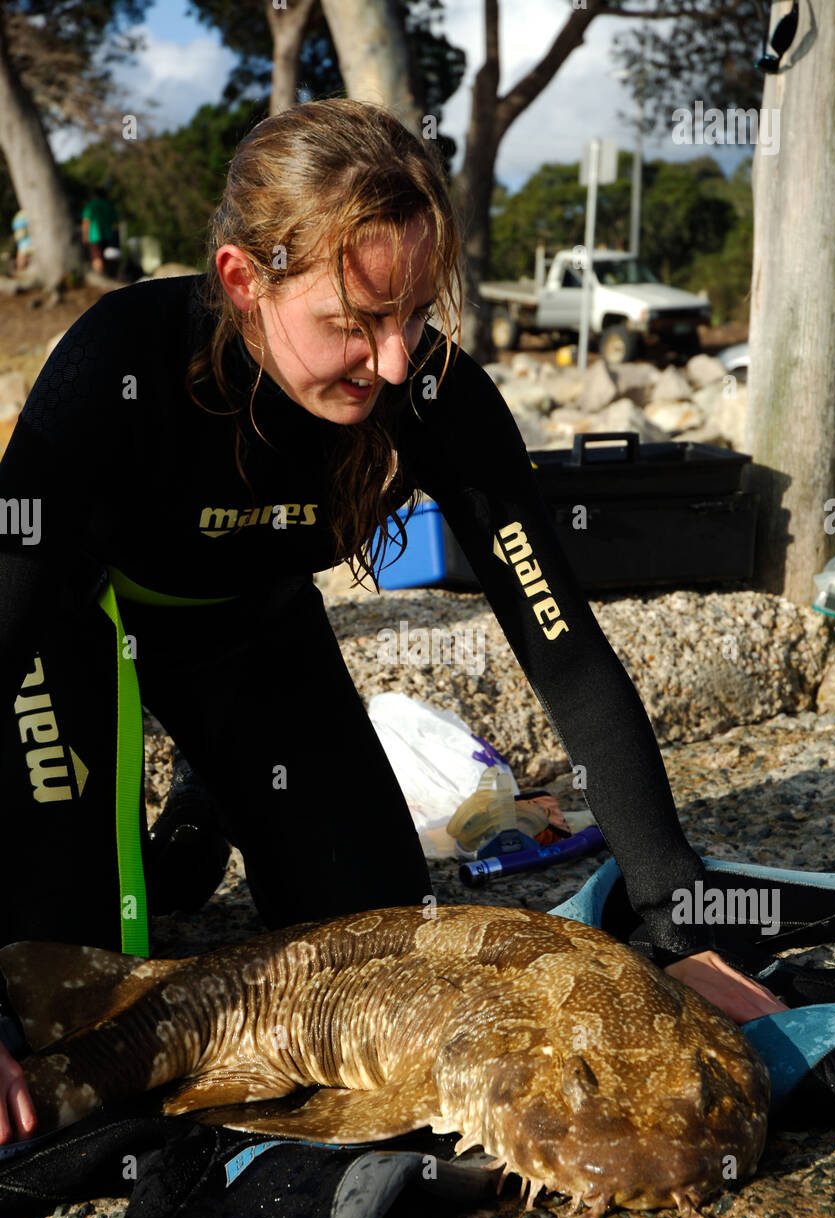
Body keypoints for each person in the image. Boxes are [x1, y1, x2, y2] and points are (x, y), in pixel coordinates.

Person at [0, 98, 791, 1147]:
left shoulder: (428, 389)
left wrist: (676, 914)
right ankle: (194, 818)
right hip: (70, 628)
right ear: (244, 281)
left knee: (372, 939)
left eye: (412, 313)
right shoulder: (120, 366)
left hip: (251, 624)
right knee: (66, 990)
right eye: (352, 321)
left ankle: (213, 801)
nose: (389, 361)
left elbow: (563, 648)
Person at [80, 186, 119, 274]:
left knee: (97, 258)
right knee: (107, 257)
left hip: (94, 236)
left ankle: (100, 275)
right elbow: (116, 221)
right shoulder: (108, 205)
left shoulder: (90, 205)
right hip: (108, 235)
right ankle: (108, 275)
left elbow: (86, 222)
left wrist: (84, 236)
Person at [11, 208, 32, 275]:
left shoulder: (21, 215)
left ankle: (21, 273)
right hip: (24, 242)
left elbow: (20, 233)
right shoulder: (20, 215)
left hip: (27, 242)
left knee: (22, 260)